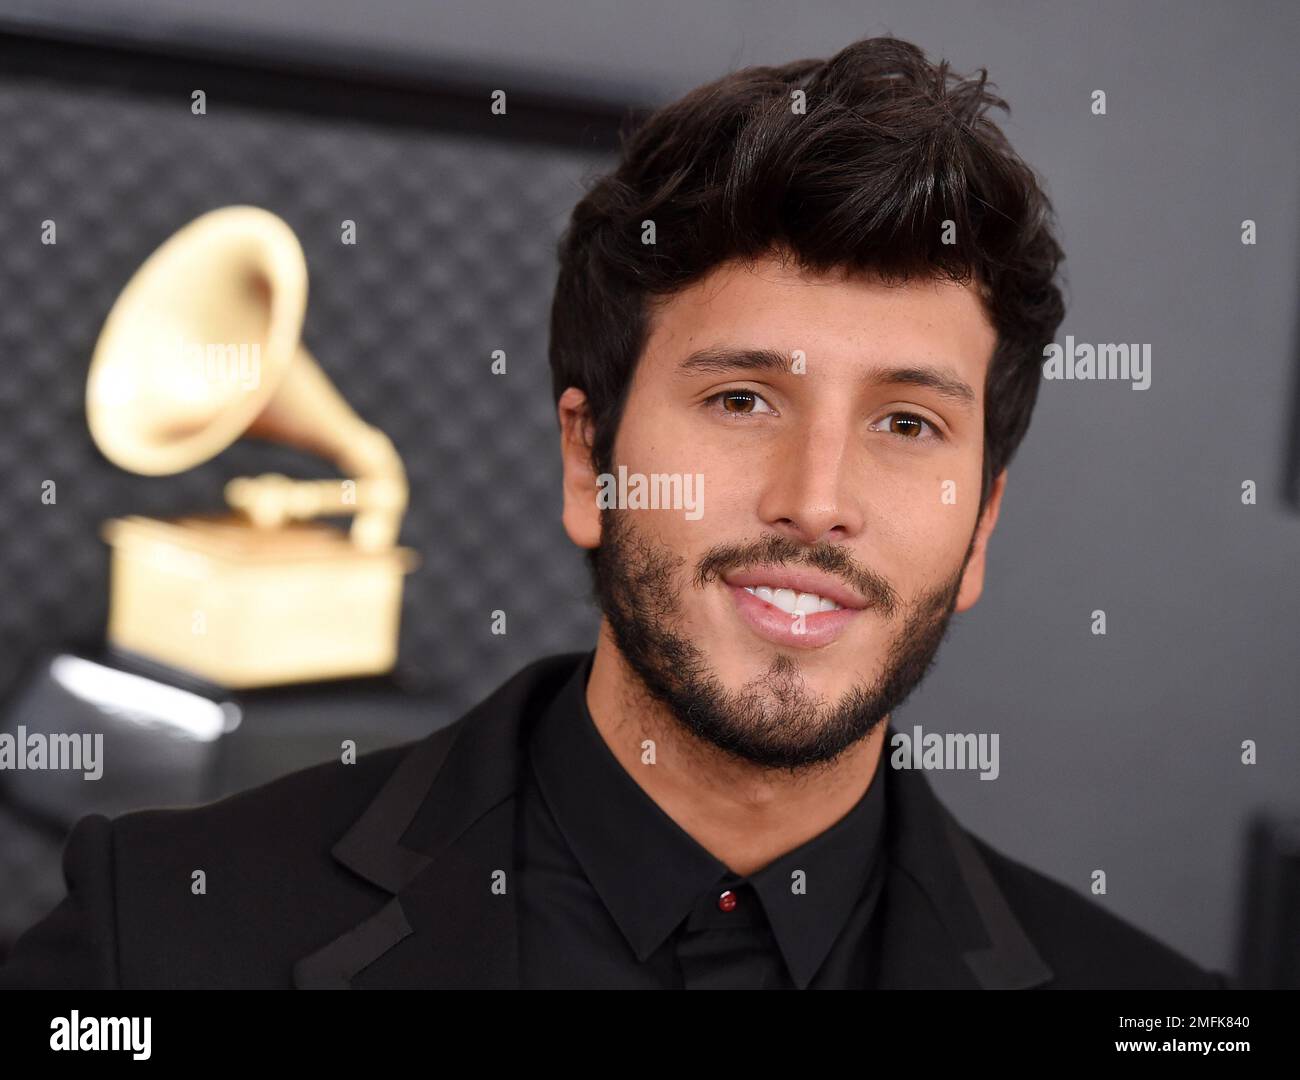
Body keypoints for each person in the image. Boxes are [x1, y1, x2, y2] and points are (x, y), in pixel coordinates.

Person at [0, 35, 1227, 989]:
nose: (817, 501)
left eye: (907, 423)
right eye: (744, 398)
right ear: (589, 463)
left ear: (982, 527)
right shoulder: (155, 931)